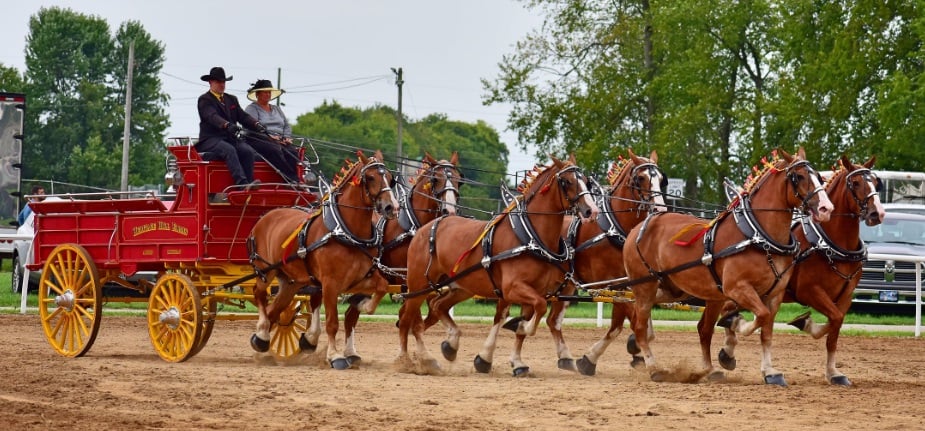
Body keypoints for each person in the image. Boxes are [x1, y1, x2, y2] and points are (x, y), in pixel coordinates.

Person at [196, 66, 266, 190]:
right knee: (229, 150)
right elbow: (212, 116)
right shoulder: (205, 100)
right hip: (210, 139)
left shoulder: (231, 99)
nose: (222, 84)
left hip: (229, 138)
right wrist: (226, 125)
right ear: (210, 82)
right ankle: (241, 184)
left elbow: (243, 116)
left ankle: (250, 183)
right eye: (218, 82)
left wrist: (256, 124)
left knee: (247, 151)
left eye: (223, 82)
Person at [244, 79, 300, 183]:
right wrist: (269, 137)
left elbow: (286, 125)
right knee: (275, 149)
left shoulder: (277, 109)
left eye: (269, 92)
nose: (268, 94)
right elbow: (252, 127)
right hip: (259, 140)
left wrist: (286, 137)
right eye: (265, 92)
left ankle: (289, 180)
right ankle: (291, 178)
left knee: (292, 151)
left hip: (280, 140)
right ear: (257, 94)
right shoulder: (252, 108)